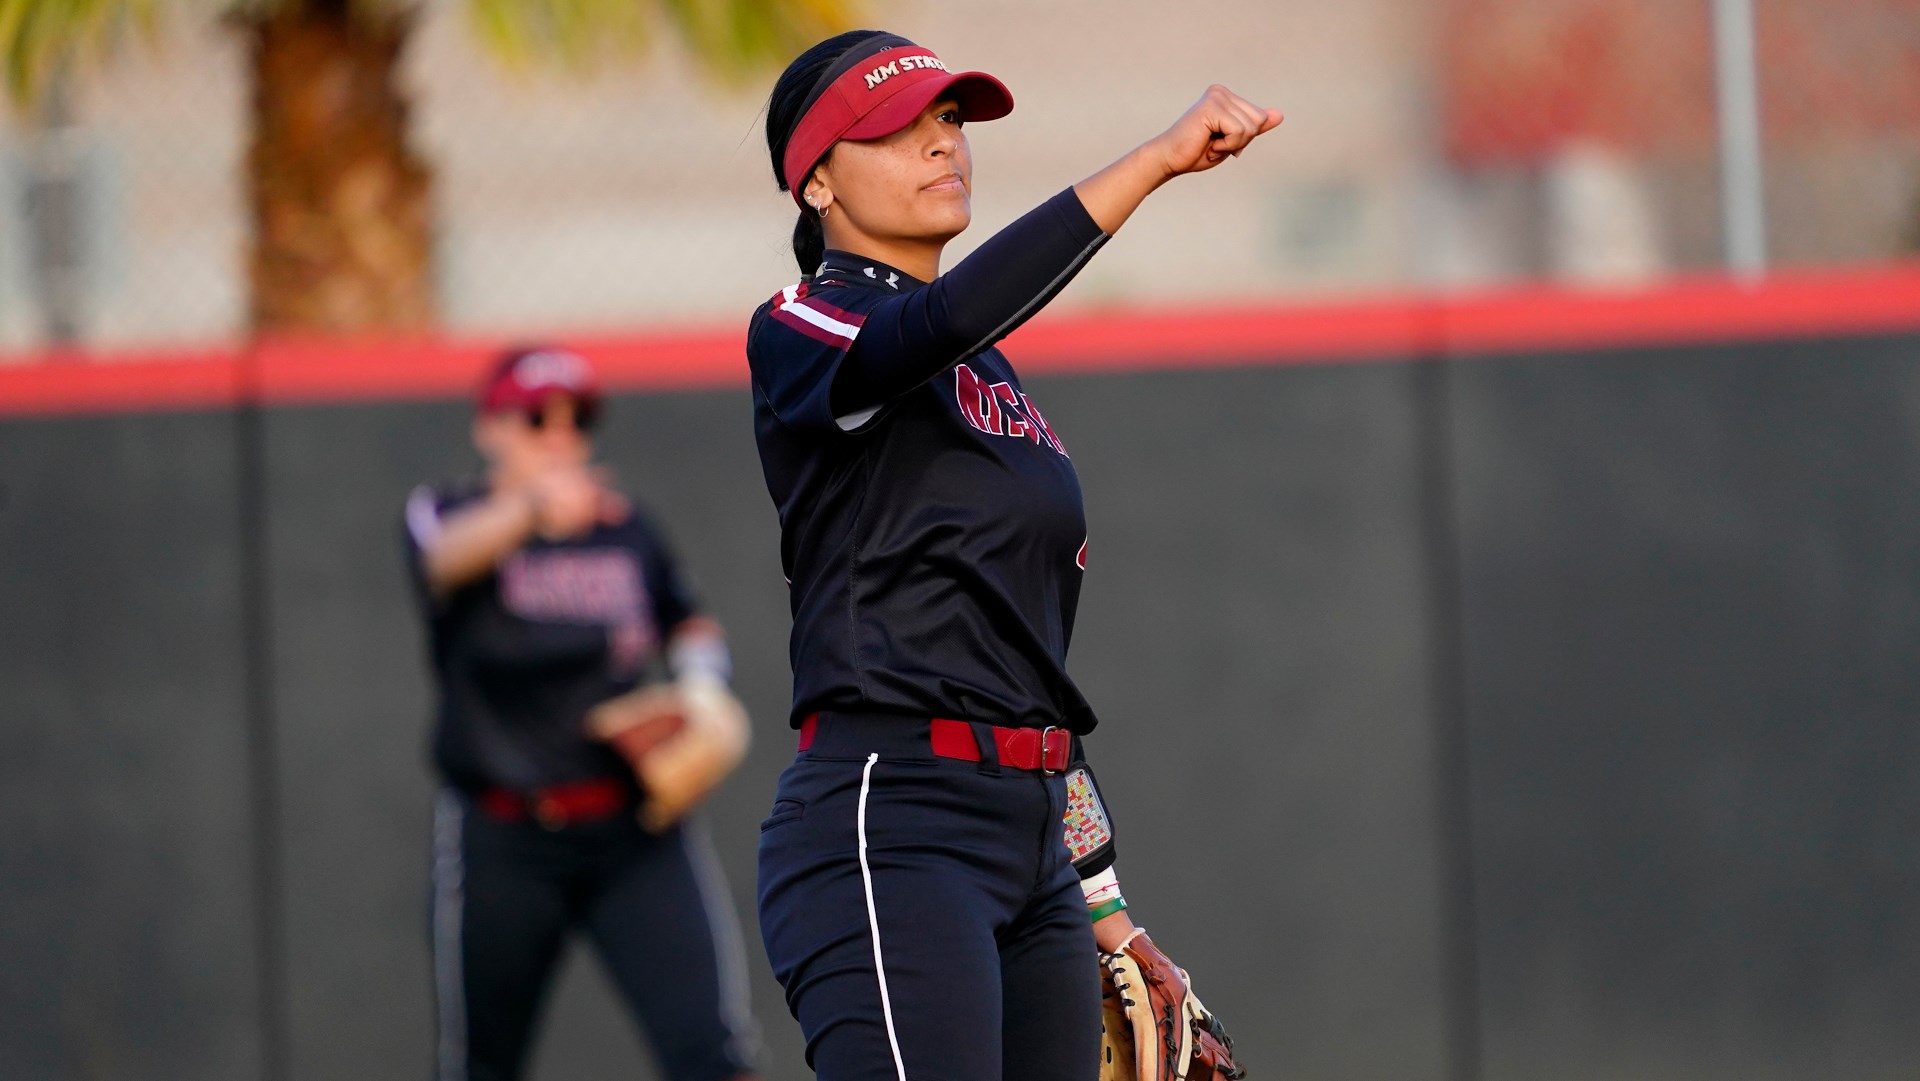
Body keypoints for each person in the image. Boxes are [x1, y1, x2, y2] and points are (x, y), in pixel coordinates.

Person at [746, 29, 1282, 1081]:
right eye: (897, 130)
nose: (942, 145)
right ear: (816, 180)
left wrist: (1104, 901)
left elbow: (1027, 668)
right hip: (890, 818)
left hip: (1031, 844)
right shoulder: (807, 325)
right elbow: (935, 322)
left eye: (948, 120)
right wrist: (1156, 161)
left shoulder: (992, 383)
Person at [403, 346, 759, 1081]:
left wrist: (700, 687)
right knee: (481, 1066)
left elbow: (689, 622)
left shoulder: (627, 528)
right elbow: (441, 561)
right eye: (537, 418)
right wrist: (533, 511)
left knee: (715, 1057)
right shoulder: (449, 511)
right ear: (490, 428)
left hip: (634, 831)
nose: (560, 436)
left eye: (578, 419)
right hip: (504, 835)